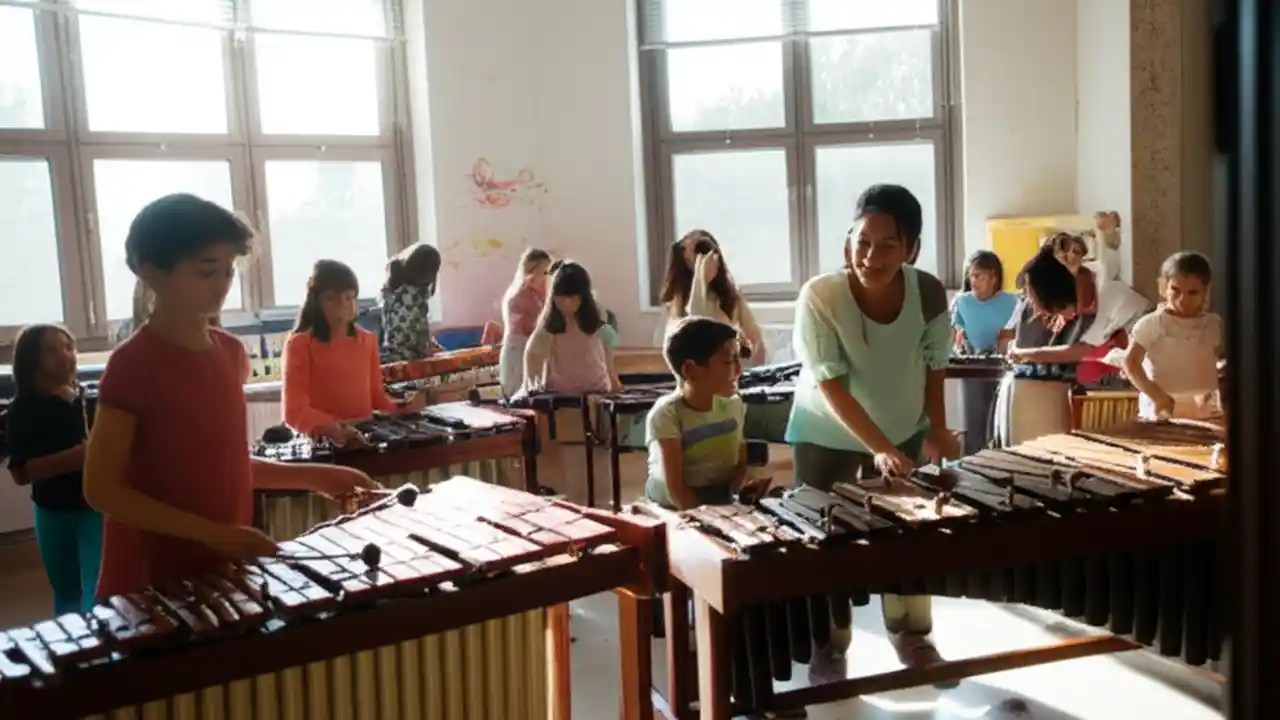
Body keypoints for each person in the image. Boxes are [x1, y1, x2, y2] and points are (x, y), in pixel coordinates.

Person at [84, 194, 376, 598]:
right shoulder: (133, 364)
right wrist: (215, 533)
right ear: (150, 271)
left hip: (218, 569)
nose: (222, 284)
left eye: (228, 270)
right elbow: (101, 489)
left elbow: (224, 465)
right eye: (206, 272)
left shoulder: (230, 353)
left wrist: (317, 476)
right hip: (150, 578)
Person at [787, 184, 957, 642]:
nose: (870, 256)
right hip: (825, 433)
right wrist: (878, 448)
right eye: (862, 242)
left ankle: (911, 629)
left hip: (902, 428)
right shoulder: (819, 295)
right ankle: (830, 636)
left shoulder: (928, 292)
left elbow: (935, 364)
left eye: (888, 246)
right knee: (826, 539)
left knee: (906, 532)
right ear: (848, 240)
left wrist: (937, 429)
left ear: (912, 250)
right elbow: (829, 382)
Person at [4, 324, 101, 614]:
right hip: (51, 512)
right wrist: (78, 456)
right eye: (51, 350)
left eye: (68, 347)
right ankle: (71, 652)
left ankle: (101, 651)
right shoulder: (21, 410)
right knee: (66, 591)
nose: (65, 356)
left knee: (96, 590)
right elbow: (21, 474)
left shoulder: (87, 399)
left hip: (93, 509)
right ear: (32, 359)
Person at [284, 259, 427, 445]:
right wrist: (330, 428)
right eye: (331, 298)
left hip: (362, 438)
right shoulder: (300, 344)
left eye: (349, 297)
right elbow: (294, 410)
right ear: (315, 302)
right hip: (321, 441)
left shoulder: (367, 341)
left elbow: (377, 398)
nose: (342, 304)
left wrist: (404, 407)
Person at [645, 317, 766, 509]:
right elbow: (676, 492)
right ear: (690, 370)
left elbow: (739, 466)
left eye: (738, 359)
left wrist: (741, 494)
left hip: (718, 501)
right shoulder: (667, 415)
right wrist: (711, 522)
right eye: (728, 361)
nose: (739, 370)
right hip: (674, 507)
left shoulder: (734, 405)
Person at [1122, 251, 1223, 420]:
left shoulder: (1214, 324)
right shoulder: (1152, 324)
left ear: (1205, 291)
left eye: (1193, 293)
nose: (1183, 299)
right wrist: (1156, 394)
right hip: (1163, 409)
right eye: (1176, 290)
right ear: (1163, 287)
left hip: (1204, 410)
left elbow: (1222, 361)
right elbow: (1130, 362)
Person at [659, 230, 766, 364]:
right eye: (694, 259)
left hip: (731, 368)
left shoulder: (731, 296)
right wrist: (700, 280)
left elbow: (754, 341)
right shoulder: (678, 302)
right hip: (697, 372)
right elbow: (690, 329)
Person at [950, 250, 1018, 453]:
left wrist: (1009, 335)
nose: (974, 281)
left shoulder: (1012, 302)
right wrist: (958, 337)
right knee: (974, 420)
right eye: (971, 275)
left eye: (979, 275)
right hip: (972, 367)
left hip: (1003, 367)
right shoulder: (962, 302)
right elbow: (954, 331)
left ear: (994, 277)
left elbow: (1020, 330)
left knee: (1001, 420)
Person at [523, 261, 622, 394]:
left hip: (595, 388)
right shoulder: (551, 323)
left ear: (583, 296)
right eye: (561, 298)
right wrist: (532, 383)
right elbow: (532, 353)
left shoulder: (595, 315)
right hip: (561, 393)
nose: (566, 303)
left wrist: (613, 378)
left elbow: (608, 344)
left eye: (572, 298)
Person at [499, 248, 552, 396]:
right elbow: (530, 328)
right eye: (544, 273)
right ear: (530, 272)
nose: (547, 278)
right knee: (520, 397)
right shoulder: (519, 296)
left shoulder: (539, 294)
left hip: (531, 352)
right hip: (518, 353)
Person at [380, 243, 443, 363]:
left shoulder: (392, 292)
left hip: (391, 358)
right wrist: (432, 350)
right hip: (411, 362)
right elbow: (420, 344)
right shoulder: (416, 299)